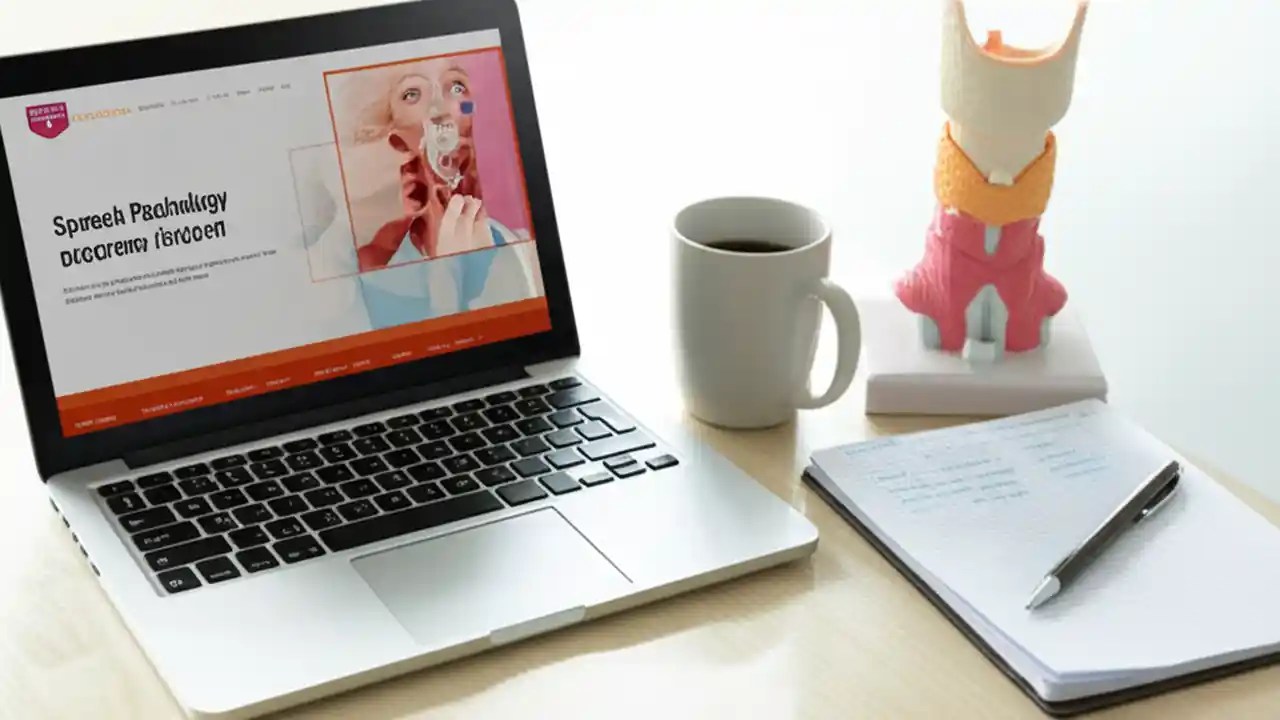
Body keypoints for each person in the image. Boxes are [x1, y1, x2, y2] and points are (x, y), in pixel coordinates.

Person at [338, 57, 535, 328]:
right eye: (412, 94)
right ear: (398, 141)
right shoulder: (374, 271)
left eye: (456, 87)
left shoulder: (521, 249)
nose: (439, 107)